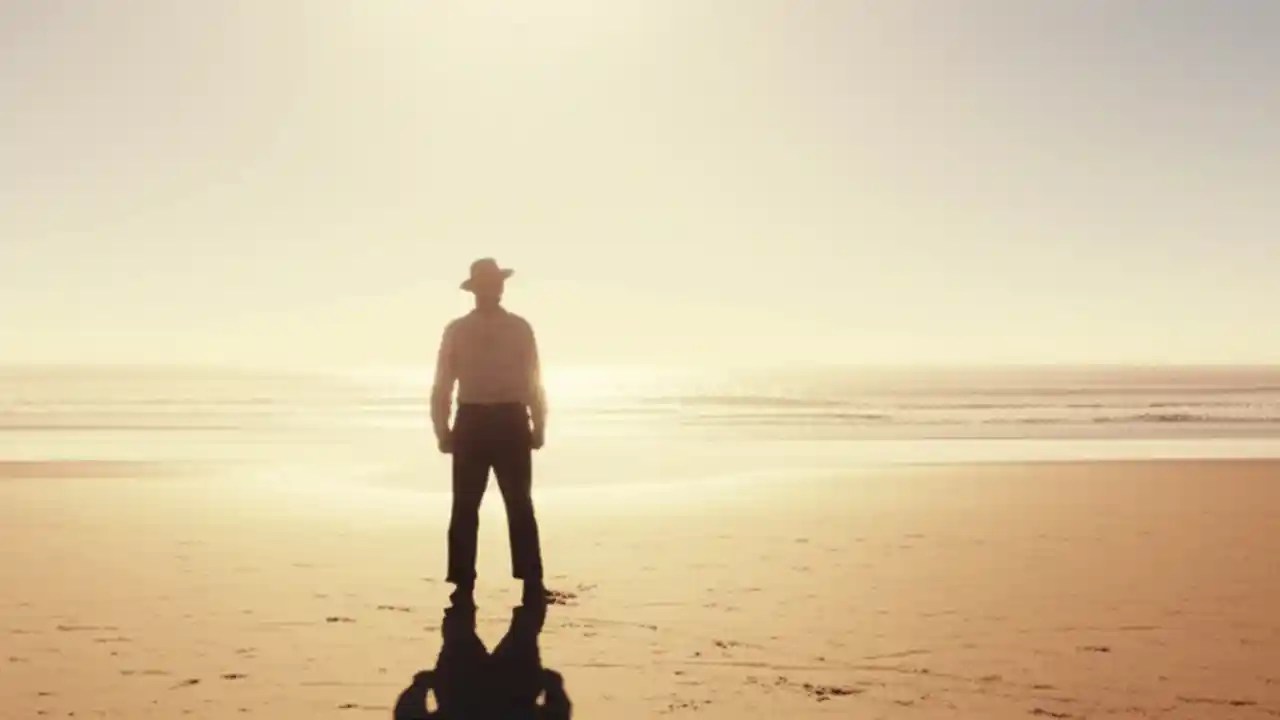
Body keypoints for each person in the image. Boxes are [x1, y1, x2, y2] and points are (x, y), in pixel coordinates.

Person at [432, 258, 548, 606]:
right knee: (511, 504)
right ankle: (524, 578)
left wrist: (442, 427)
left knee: (478, 505)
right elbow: (533, 381)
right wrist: (539, 422)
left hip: (483, 421)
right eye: (490, 283)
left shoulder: (467, 329)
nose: (492, 289)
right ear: (492, 288)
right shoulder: (512, 328)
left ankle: (466, 581)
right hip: (502, 421)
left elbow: (443, 384)